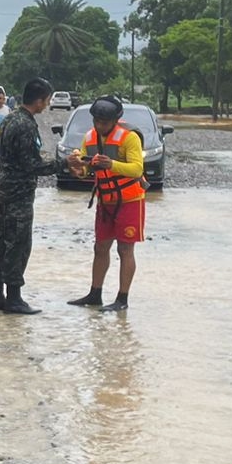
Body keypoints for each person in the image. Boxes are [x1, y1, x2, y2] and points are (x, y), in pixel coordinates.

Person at [0, 77, 59, 315]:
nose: (46, 105)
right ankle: (14, 298)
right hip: (18, 194)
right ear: (39, 100)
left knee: (1, 241)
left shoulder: (9, 119)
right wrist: (63, 164)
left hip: (3, 188)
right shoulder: (25, 124)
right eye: (46, 100)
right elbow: (31, 165)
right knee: (18, 244)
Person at [66, 95, 147, 311]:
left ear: (115, 121)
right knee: (100, 247)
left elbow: (137, 169)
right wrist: (76, 168)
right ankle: (95, 294)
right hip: (105, 201)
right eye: (96, 121)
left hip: (130, 201)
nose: (99, 125)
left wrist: (111, 164)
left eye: (104, 122)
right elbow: (85, 170)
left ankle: (122, 299)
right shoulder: (89, 138)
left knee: (125, 249)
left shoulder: (130, 138)